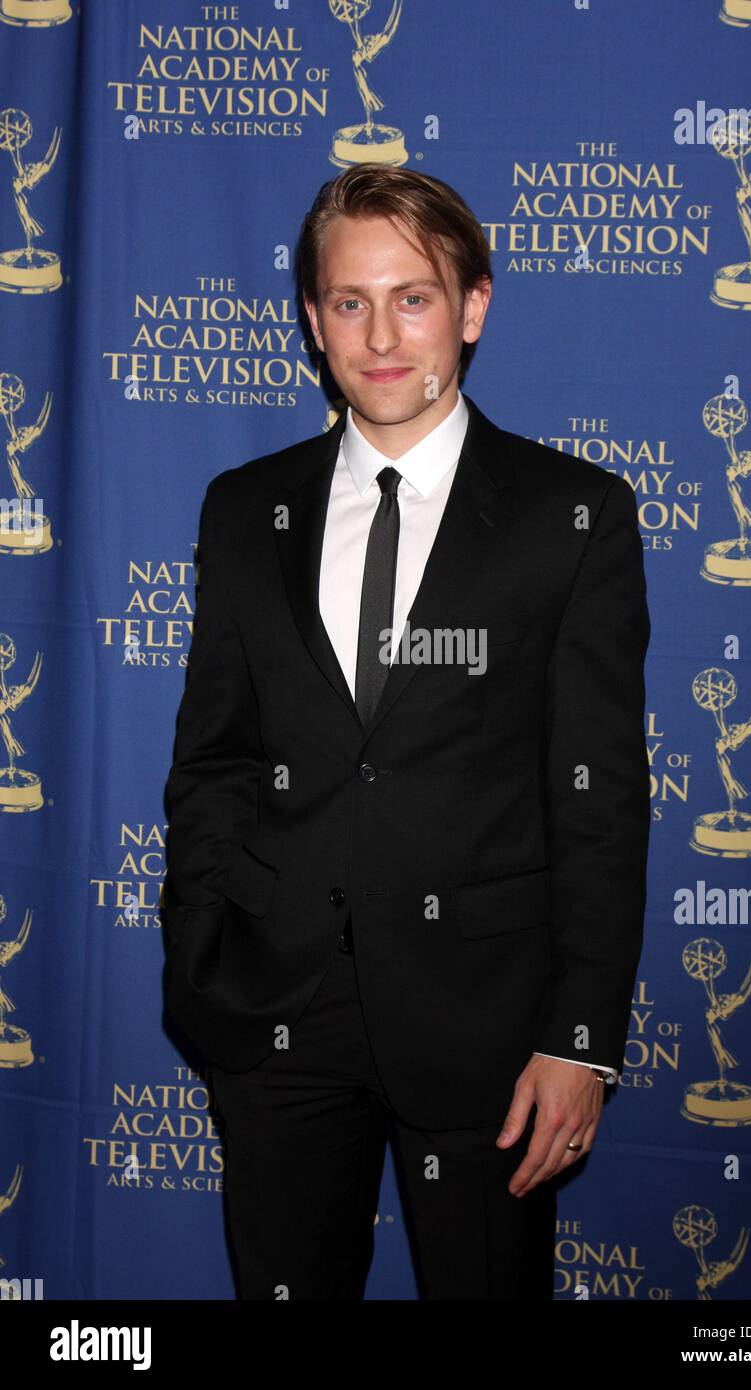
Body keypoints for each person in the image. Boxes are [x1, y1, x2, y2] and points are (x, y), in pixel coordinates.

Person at [162, 164, 651, 1300]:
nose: (379, 334)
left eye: (413, 296)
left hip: (488, 1024)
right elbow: (215, 758)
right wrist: (204, 953)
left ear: (472, 306)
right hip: (274, 1017)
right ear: (311, 319)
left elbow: (596, 798)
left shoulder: (567, 517)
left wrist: (578, 1036)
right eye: (347, 300)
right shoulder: (245, 509)